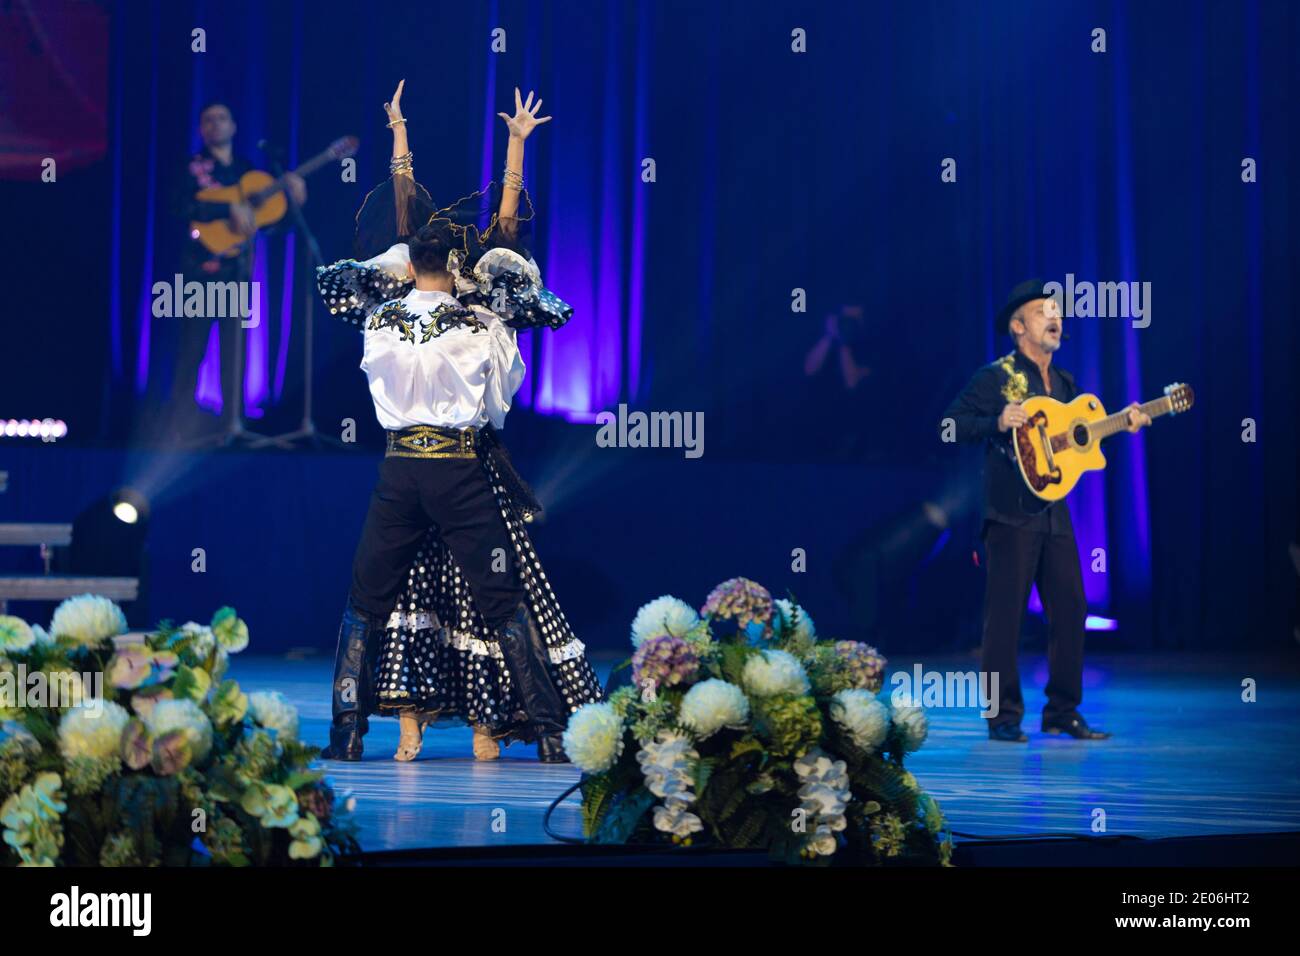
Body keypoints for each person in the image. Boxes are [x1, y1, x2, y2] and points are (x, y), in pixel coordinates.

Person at [316, 81, 603, 763]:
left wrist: (399, 139)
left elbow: (403, 225)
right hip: (459, 469)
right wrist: (515, 149)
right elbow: (503, 240)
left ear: (401, 264)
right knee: (501, 601)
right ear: (457, 263)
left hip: (398, 473)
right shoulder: (481, 320)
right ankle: (553, 736)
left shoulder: (377, 318)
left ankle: (346, 731)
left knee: (366, 597)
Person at [941, 279, 1150, 742]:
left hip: (1053, 514)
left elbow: (1081, 440)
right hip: (1009, 514)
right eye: (1043, 312)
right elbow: (949, 427)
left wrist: (1125, 422)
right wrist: (995, 420)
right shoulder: (994, 378)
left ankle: (1061, 711)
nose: (1055, 318)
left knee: (1072, 608)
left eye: (1057, 311)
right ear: (1018, 326)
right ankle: (1004, 716)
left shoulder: (1066, 385)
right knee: (1005, 618)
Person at [171, 101, 306, 432]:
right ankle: (178, 429)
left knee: (235, 352)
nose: (216, 124)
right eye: (208, 120)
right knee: (192, 351)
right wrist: (225, 211)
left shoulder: (250, 172)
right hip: (200, 271)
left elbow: (268, 221)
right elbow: (181, 207)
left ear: (233, 126)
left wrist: (295, 203)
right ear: (202, 129)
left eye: (222, 118)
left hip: (238, 271)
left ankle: (233, 427)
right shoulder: (193, 167)